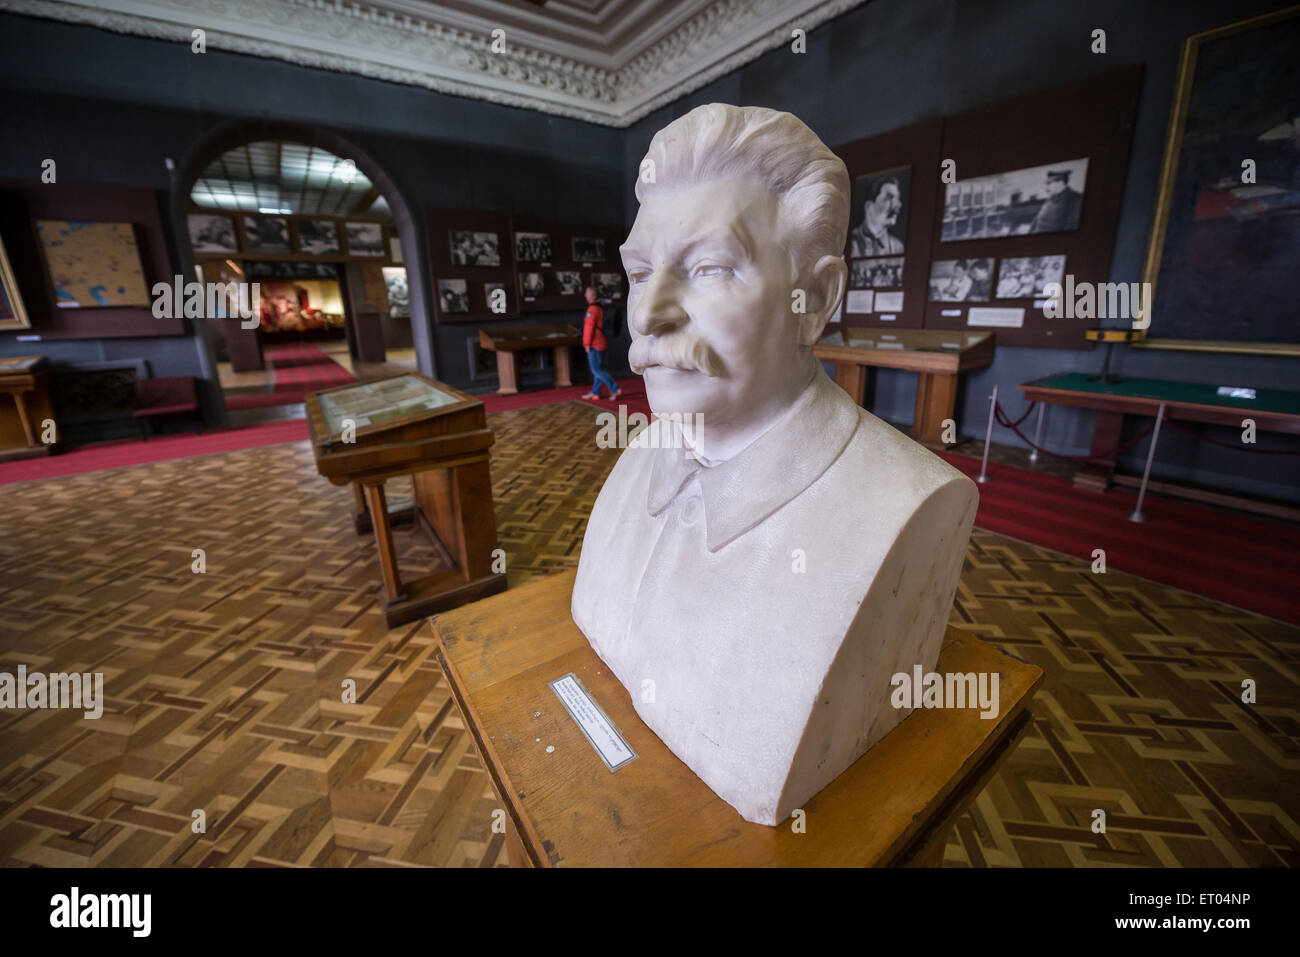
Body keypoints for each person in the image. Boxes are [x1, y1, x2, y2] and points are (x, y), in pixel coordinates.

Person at [570, 104, 976, 826]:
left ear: (813, 300)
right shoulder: (643, 455)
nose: (650, 313)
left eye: (708, 268)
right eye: (639, 270)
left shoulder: (904, 503)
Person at [849, 175, 905, 256]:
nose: (898, 205)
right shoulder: (848, 243)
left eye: (897, 198)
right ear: (869, 206)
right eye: (889, 197)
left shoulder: (897, 247)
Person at [581, 285, 620, 400]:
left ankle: (615, 388)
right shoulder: (600, 307)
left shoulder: (592, 309)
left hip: (595, 344)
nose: (585, 295)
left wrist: (586, 344)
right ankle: (595, 392)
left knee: (596, 370)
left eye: (587, 293)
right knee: (598, 369)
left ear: (592, 295)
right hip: (602, 342)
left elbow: (589, 328)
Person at [1030, 169, 1083, 233]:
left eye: (1049, 183)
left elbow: (1071, 226)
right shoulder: (1049, 199)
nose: (1046, 188)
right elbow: (1036, 221)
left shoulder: (1076, 198)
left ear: (1061, 183)